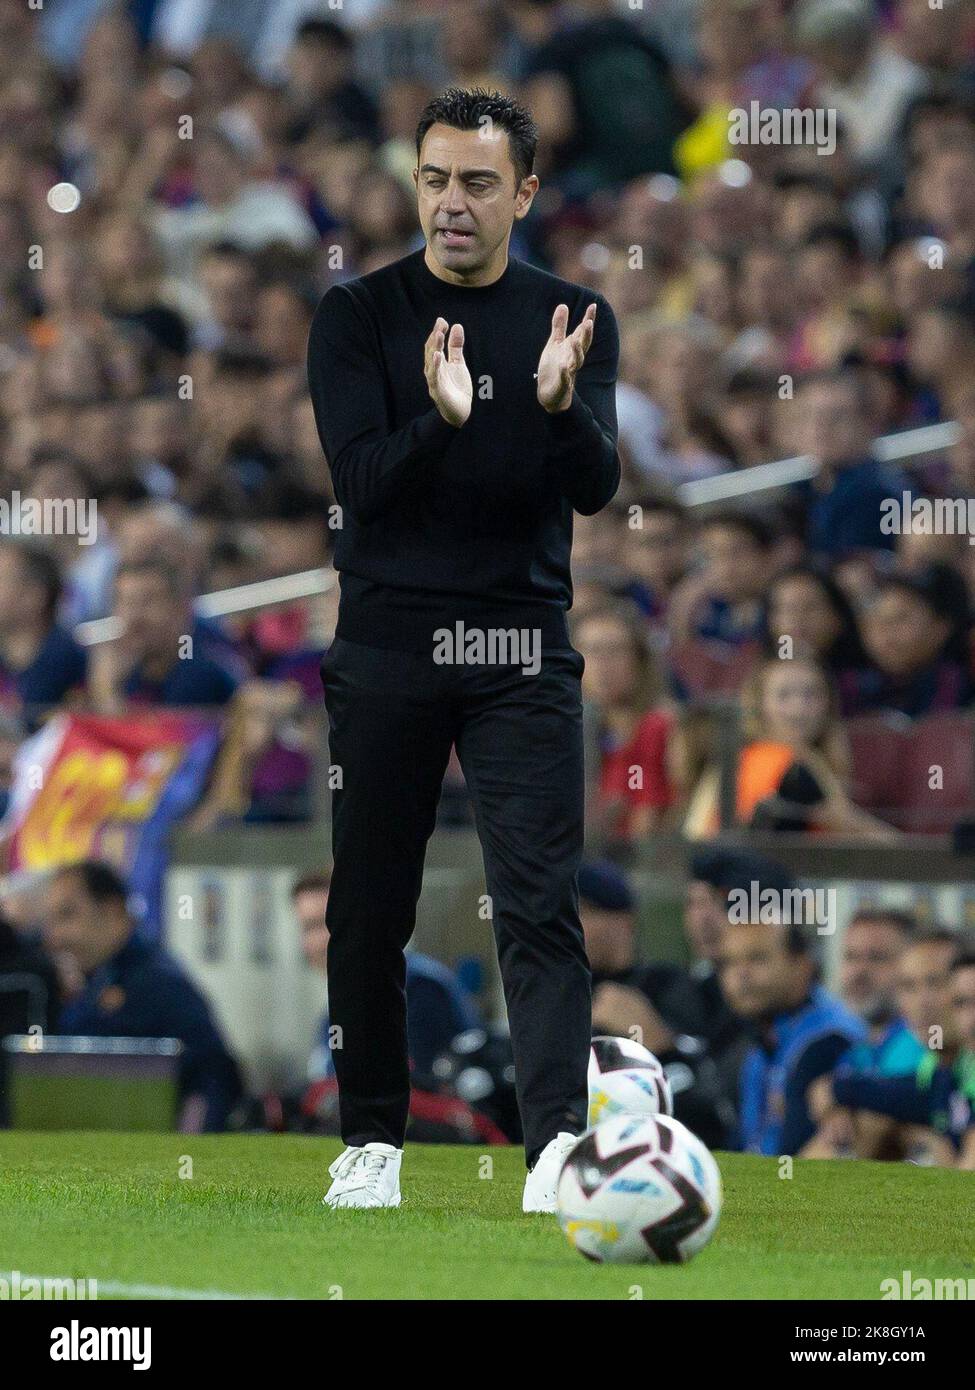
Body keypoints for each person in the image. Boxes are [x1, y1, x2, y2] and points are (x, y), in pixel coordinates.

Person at [307, 87, 620, 1211]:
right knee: (369, 904)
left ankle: (553, 1151)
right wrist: (438, 421)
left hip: (521, 648)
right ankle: (373, 1142)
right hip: (387, 642)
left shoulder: (573, 316)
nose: (451, 203)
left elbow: (597, 487)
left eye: (479, 182)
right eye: (435, 179)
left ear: (524, 192)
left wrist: (555, 406)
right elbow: (358, 488)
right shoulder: (358, 315)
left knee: (538, 903)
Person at [44, 860, 243, 1132]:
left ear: (112, 910)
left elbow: (214, 1078)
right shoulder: (88, 984)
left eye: (67, 915)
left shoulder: (160, 983)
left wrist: (186, 1153)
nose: (54, 936)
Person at [291, 871, 478, 1085]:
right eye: (309, 927)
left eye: (330, 922)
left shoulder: (416, 988)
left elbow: (423, 1090)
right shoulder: (334, 1014)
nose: (321, 939)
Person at [719, 915, 866, 1154]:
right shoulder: (762, 1039)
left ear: (802, 966)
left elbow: (793, 1157)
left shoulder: (829, 1040)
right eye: (729, 963)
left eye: (757, 959)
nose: (740, 974)